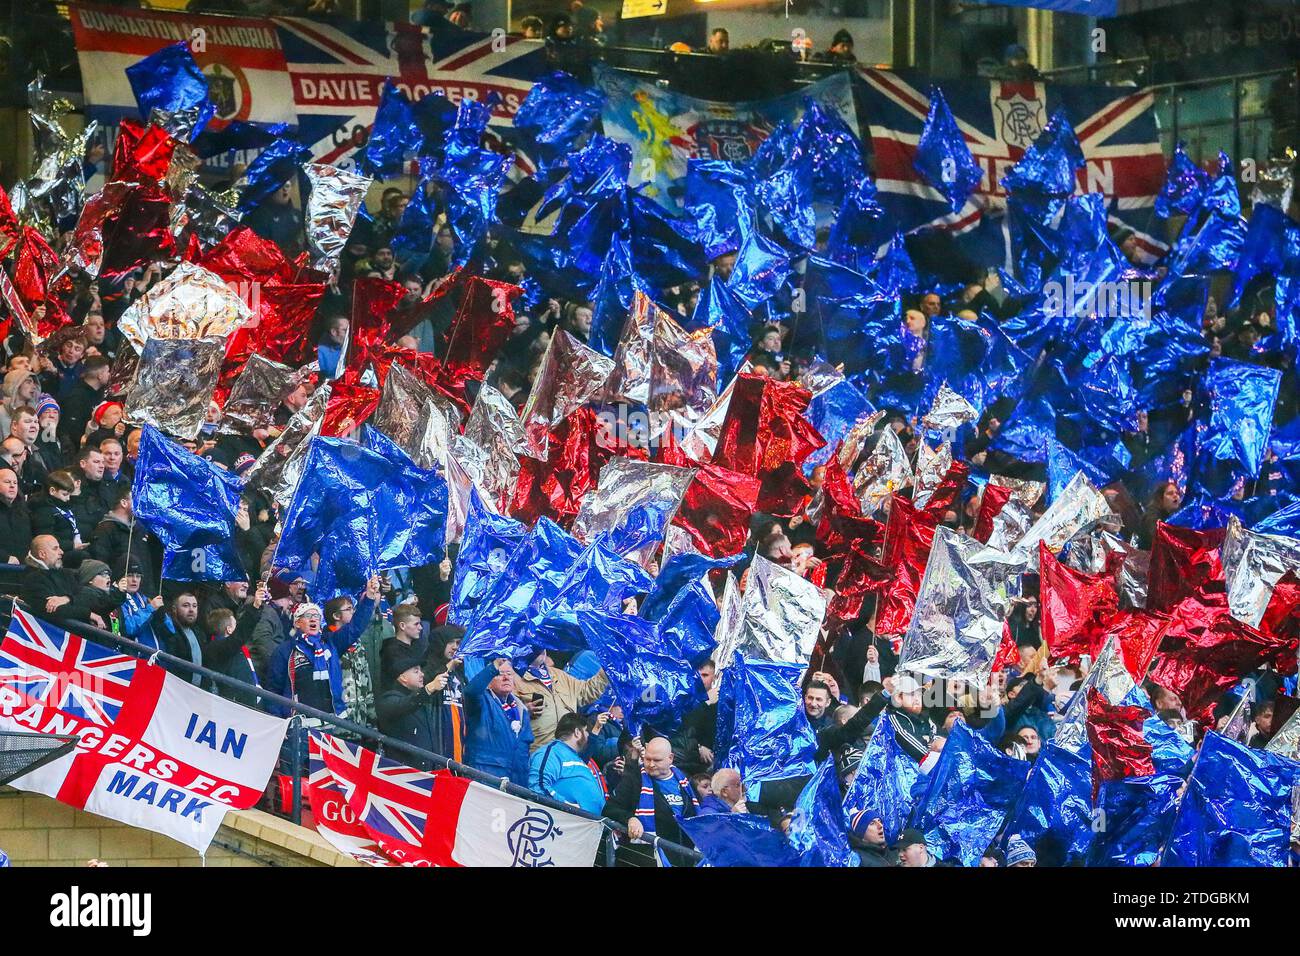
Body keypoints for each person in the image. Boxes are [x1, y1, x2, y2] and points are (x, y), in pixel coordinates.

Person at [268, 576, 381, 719]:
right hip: (300, 725)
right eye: (308, 615)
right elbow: (273, 690)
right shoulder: (285, 651)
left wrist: (369, 598)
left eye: (317, 616)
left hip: (334, 723)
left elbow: (355, 627)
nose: (314, 619)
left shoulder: (331, 643)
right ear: (297, 623)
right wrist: (277, 719)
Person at [604, 736, 698, 859]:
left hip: (685, 854)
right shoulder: (634, 779)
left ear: (670, 758)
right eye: (647, 759)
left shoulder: (685, 780)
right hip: (648, 856)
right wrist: (630, 819)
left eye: (657, 760)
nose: (651, 764)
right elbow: (610, 808)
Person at [514, 649, 609, 752]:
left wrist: (606, 671)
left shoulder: (559, 675)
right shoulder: (515, 679)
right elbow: (504, 715)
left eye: (542, 646)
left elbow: (586, 691)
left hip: (567, 751)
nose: (541, 649)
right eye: (535, 646)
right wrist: (524, 710)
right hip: (537, 753)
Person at [463, 657, 534, 785]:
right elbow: (470, 692)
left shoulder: (522, 710)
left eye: (509, 674)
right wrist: (492, 668)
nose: (506, 678)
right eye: (500, 674)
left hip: (517, 783)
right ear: (489, 681)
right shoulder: (482, 701)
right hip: (486, 779)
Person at [376, 650, 449, 771]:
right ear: (402, 677)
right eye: (416, 671)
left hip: (426, 770)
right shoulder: (388, 699)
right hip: (402, 774)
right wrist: (428, 689)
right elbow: (405, 705)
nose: (422, 674)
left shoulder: (419, 700)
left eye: (421, 670)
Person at [528, 712, 607, 815]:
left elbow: (589, 748)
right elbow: (538, 786)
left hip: (591, 826)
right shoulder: (552, 752)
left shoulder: (577, 758)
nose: (588, 735)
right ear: (577, 732)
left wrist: (597, 728)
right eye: (586, 731)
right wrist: (566, 806)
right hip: (567, 825)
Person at [21, 535, 99, 625]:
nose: (61, 552)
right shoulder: (32, 579)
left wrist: (67, 599)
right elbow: (52, 609)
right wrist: (88, 614)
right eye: (55, 548)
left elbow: (87, 596)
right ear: (42, 554)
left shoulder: (66, 573)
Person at [0, 466, 28, 563]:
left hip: (22, 568)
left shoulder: (23, 512)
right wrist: (5, 558)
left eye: (15, 483)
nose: (12, 485)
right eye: (7, 482)